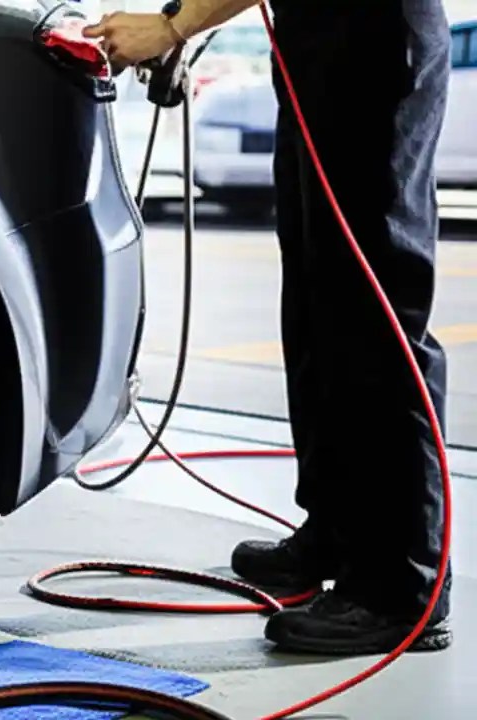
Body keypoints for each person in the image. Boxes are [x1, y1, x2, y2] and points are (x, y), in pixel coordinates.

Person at [84, 0, 453, 655]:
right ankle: (337, 532)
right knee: (317, 303)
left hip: (372, 43)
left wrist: (170, 28)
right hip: (321, 49)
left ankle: (401, 586)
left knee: (374, 310)